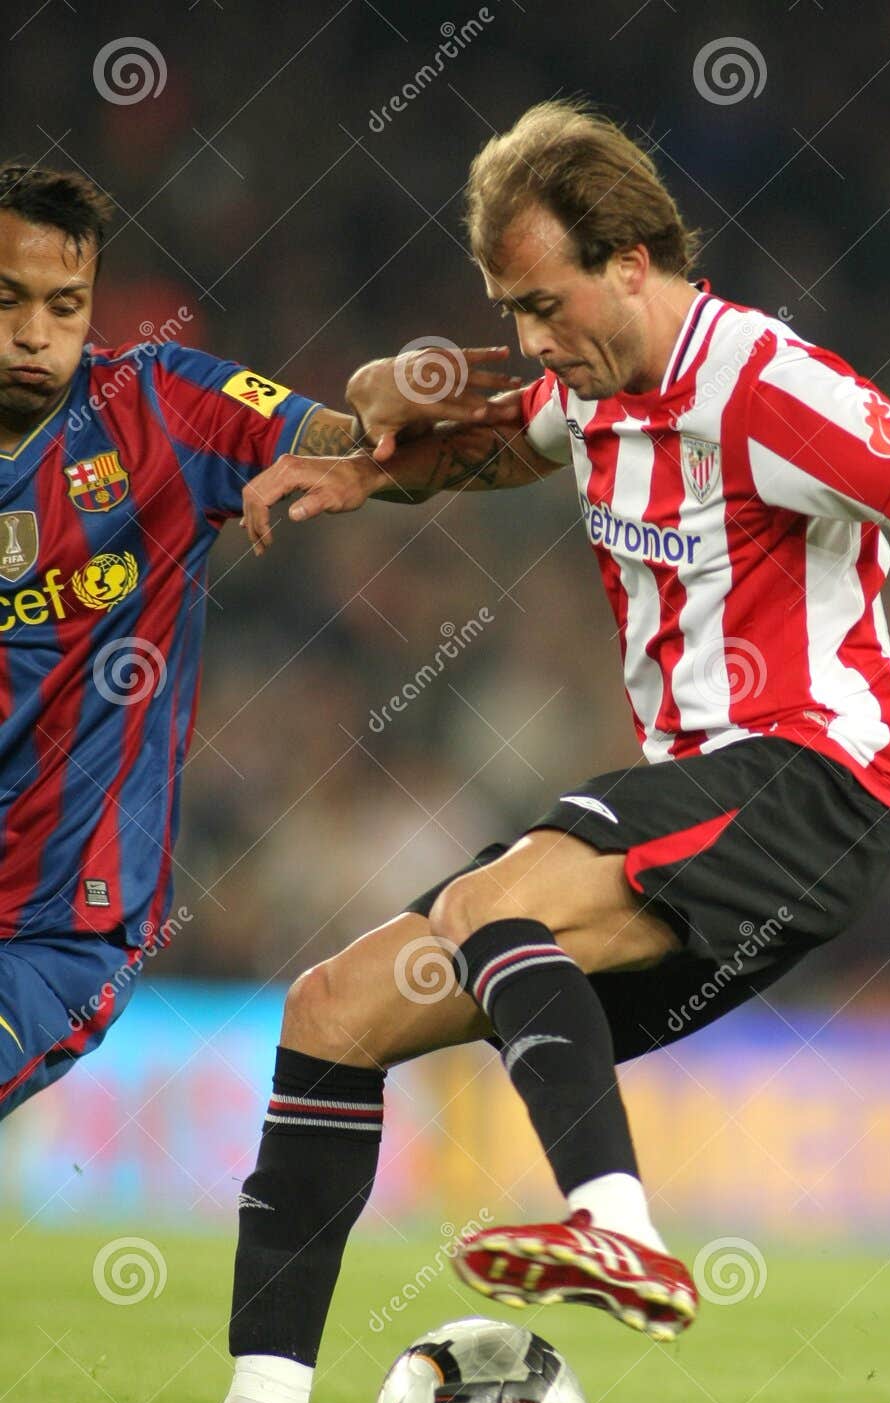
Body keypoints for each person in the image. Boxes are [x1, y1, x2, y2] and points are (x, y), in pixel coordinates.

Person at [73, 101, 890, 1403]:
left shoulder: (765, 382)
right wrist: (364, 463)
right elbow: (491, 441)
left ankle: (619, 1226)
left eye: (543, 302)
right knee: (333, 1011)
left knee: (492, 901)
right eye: (509, 310)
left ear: (635, 258)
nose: (530, 338)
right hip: (693, 814)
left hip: (810, 782)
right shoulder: (587, 383)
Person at [0, 162, 512, 1120]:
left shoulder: (157, 412)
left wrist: (385, 410)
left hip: (54, 921)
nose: (37, 333)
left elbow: (354, 451)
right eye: (9, 301)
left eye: (66, 304)